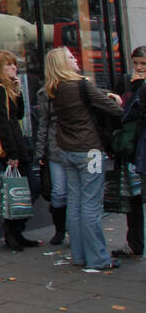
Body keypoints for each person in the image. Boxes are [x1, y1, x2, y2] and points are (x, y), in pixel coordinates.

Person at [45, 46, 123, 272]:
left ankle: (79, 255)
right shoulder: (80, 84)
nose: (75, 59)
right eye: (70, 57)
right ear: (62, 63)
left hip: (67, 151)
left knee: (75, 204)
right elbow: (114, 109)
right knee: (91, 205)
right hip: (89, 150)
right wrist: (115, 98)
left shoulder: (54, 88)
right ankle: (98, 258)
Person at [0, 50, 37, 251]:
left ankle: (16, 231)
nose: (13, 68)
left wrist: (18, 91)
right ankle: (12, 229)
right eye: (8, 65)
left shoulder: (7, 89)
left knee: (25, 189)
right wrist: (12, 154)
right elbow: (2, 123)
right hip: (13, 149)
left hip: (17, 146)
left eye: (14, 64)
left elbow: (20, 114)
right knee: (29, 187)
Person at [111, 46, 146, 258]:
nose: (140, 68)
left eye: (144, 64)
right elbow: (118, 114)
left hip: (141, 147)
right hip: (130, 149)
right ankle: (135, 243)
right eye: (137, 63)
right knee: (132, 198)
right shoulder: (124, 82)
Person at [33, 81, 67, 245]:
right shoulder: (45, 93)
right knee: (58, 193)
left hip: (76, 147)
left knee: (73, 193)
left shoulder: (79, 85)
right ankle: (60, 229)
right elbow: (43, 123)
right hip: (55, 149)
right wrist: (40, 152)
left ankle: (73, 230)